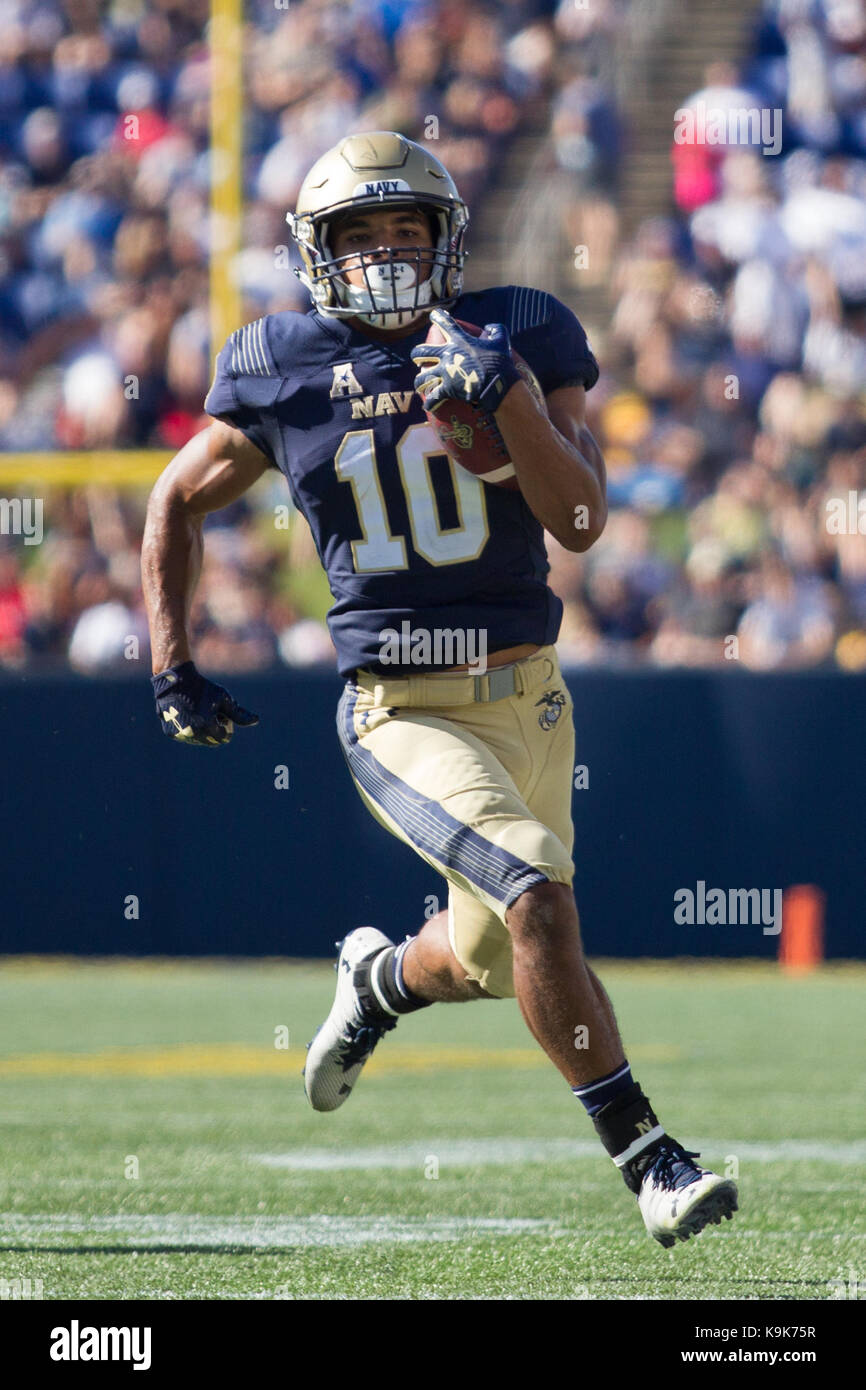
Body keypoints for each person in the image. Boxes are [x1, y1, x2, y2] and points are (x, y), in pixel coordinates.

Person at [141, 131, 738, 1247]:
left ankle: (376, 982)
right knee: (537, 896)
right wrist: (172, 662)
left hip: (531, 697)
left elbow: (579, 520)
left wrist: (508, 399)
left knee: (484, 955)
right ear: (317, 253)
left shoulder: (518, 330)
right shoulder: (279, 364)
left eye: (402, 229)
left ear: (444, 240)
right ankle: (650, 1158)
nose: (381, 253)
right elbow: (175, 497)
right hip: (401, 706)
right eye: (356, 235)